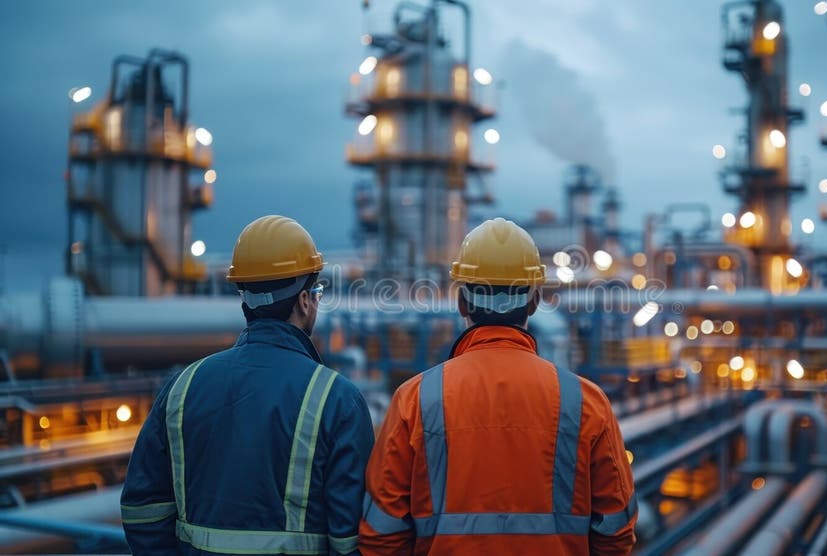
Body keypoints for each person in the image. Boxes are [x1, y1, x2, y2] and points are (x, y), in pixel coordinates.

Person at [359, 217, 637, 555]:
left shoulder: (415, 400)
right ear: (534, 301)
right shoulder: (586, 401)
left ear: (462, 301)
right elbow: (616, 532)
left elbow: (379, 534)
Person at [121, 215, 374, 556]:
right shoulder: (337, 399)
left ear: (245, 300)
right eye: (316, 292)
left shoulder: (181, 387)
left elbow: (141, 511)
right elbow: (351, 541)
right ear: (303, 300)